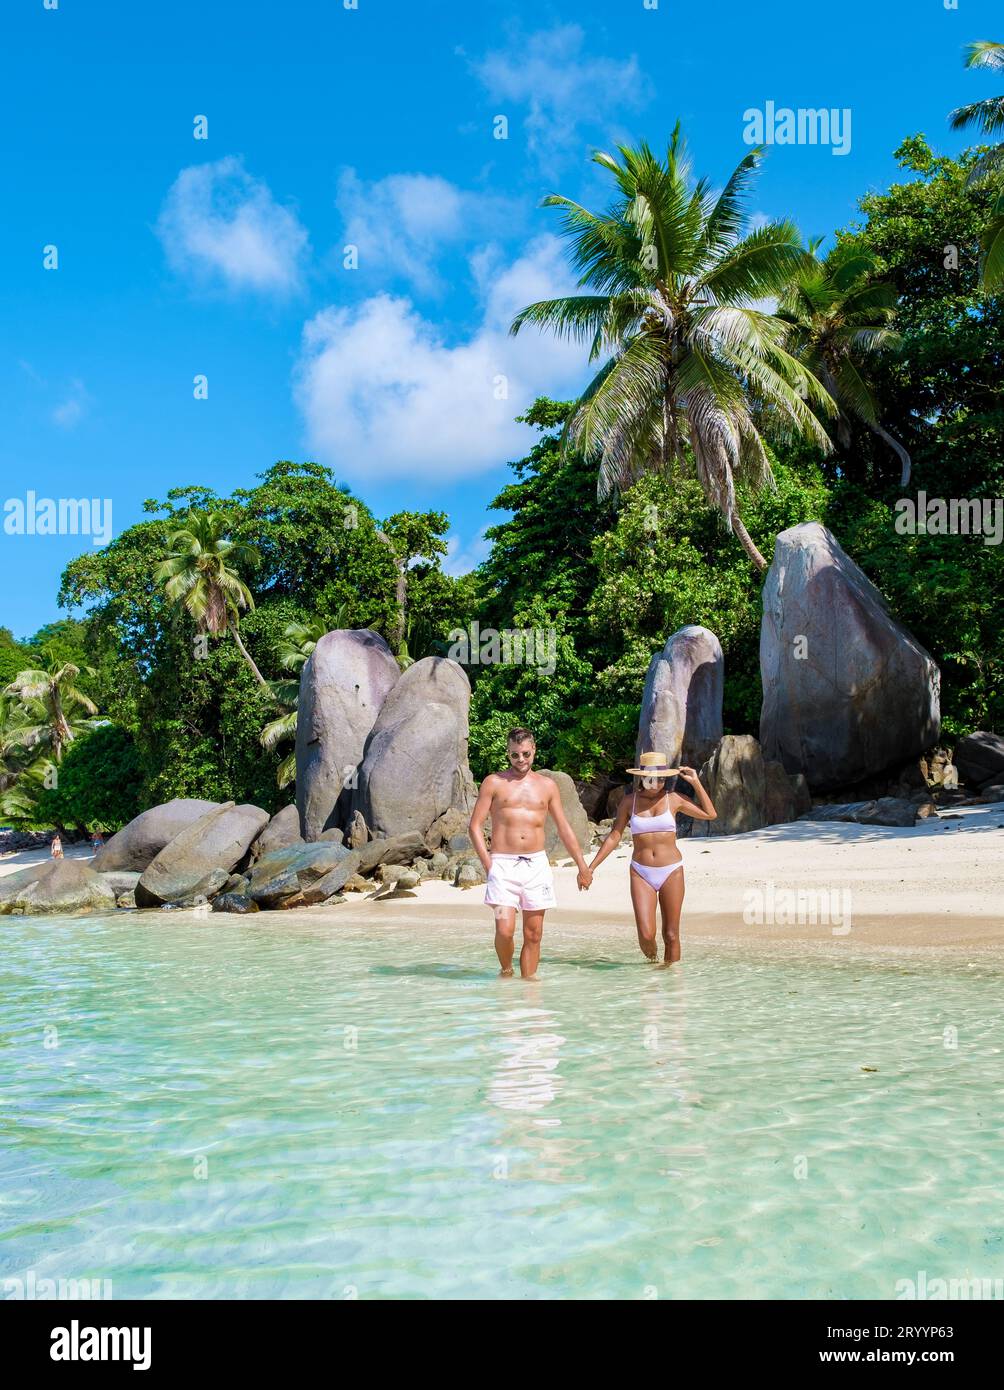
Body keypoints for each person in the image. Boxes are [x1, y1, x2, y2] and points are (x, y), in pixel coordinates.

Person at [469, 726, 592, 979]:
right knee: (504, 929)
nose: (521, 760)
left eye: (525, 753)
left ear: (534, 750)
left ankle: (529, 984)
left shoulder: (547, 786)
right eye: (515, 755)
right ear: (507, 753)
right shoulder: (494, 782)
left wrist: (582, 866)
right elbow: (475, 826)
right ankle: (506, 970)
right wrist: (489, 866)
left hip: (536, 866)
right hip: (503, 864)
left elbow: (564, 827)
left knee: (533, 933)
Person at [587, 751, 717, 965]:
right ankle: (654, 964)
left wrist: (696, 782)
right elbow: (614, 836)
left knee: (671, 935)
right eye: (650, 776)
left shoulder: (673, 799)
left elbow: (710, 814)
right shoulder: (629, 802)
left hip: (671, 871)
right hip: (641, 872)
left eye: (660, 777)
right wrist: (590, 868)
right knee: (646, 936)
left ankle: (672, 980)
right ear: (641, 776)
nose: (655, 781)